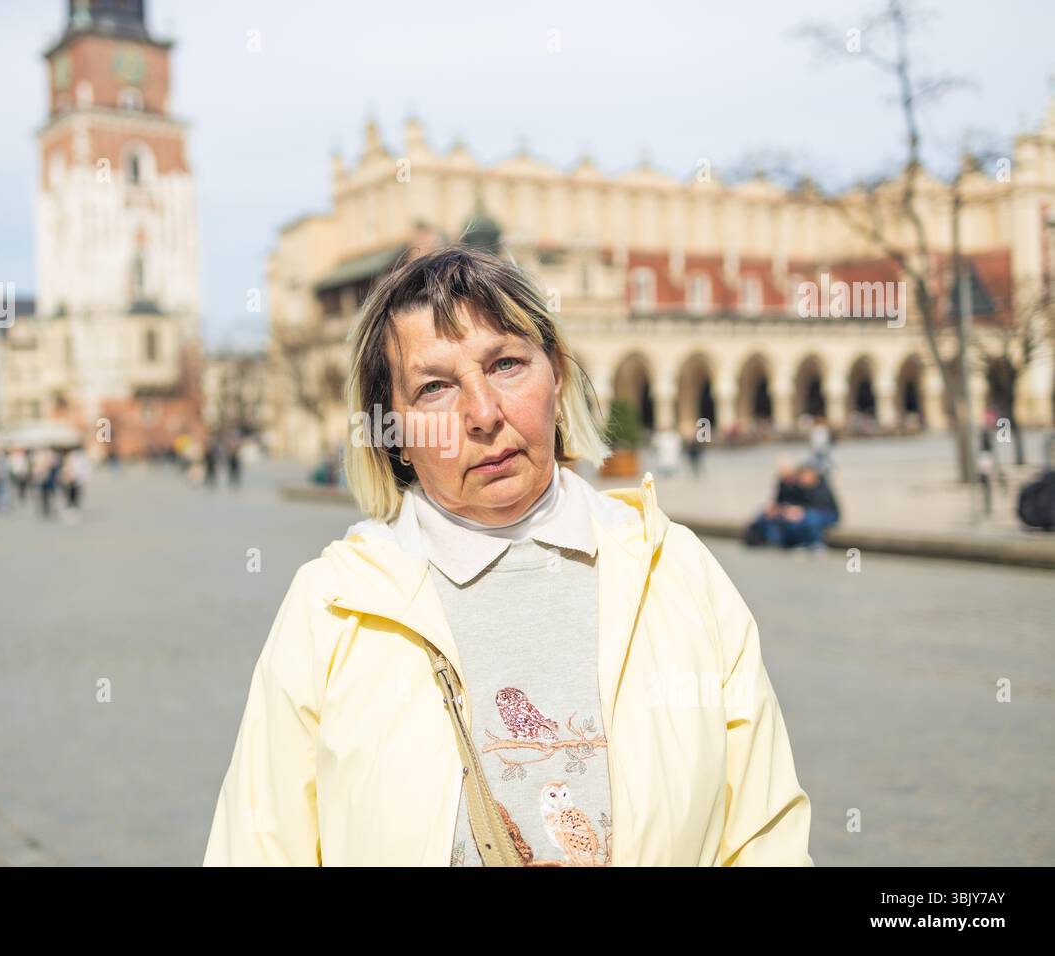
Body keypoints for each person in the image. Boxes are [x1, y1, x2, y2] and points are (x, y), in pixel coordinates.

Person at [203, 245, 812, 867]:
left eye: (507, 364)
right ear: (395, 434)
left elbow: (766, 838)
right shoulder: (332, 607)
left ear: (558, 376)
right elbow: (257, 846)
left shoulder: (677, 570)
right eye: (436, 387)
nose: (484, 414)